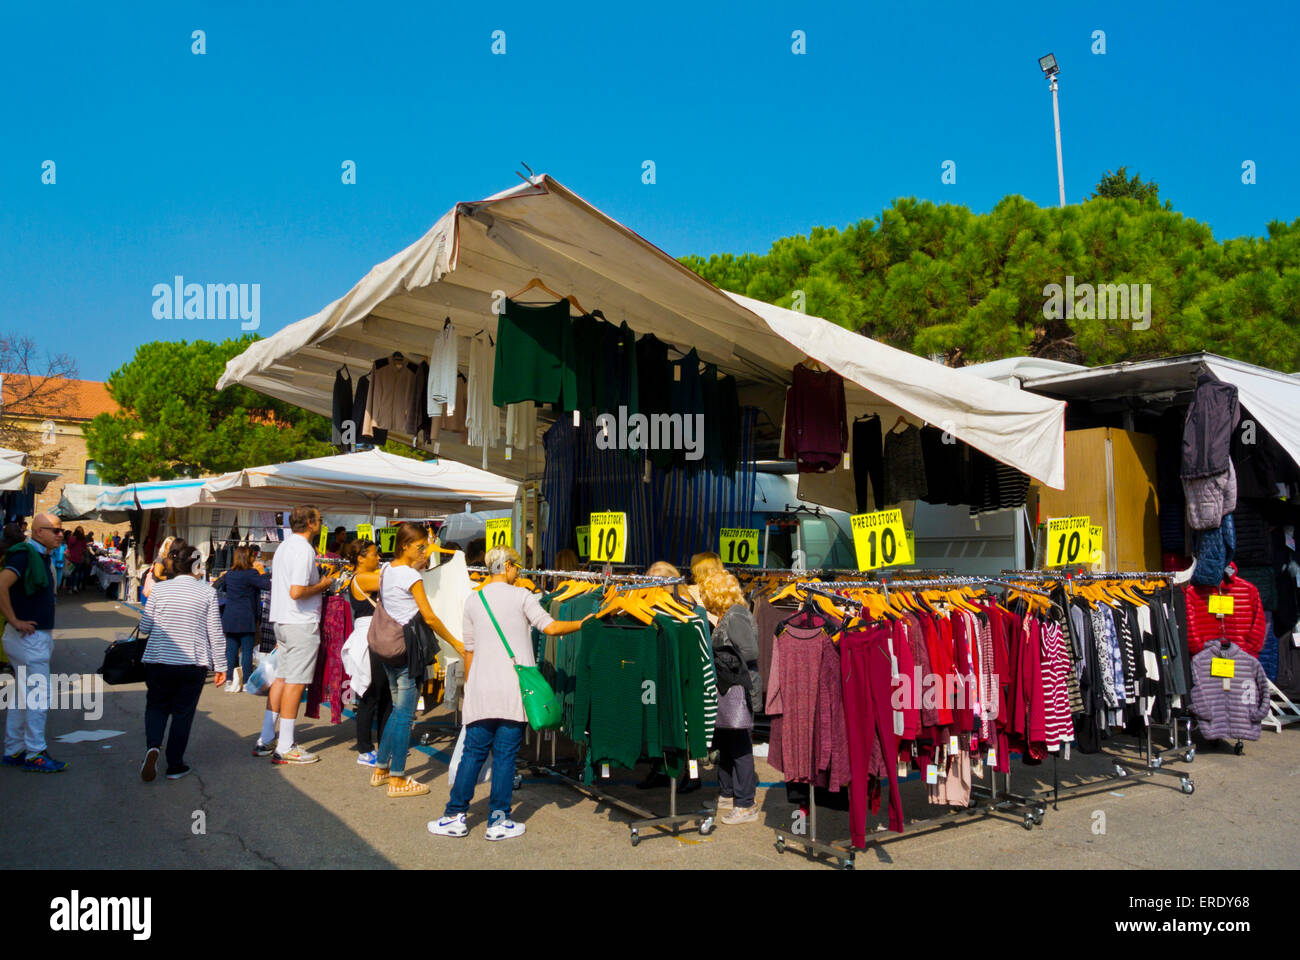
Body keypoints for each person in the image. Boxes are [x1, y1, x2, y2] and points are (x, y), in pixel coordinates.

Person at [429, 546, 592, 839]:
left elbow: (469, 650)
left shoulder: (473, 600)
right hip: (515, 691)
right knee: (505, 756)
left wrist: (470, 690)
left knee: (473, 754)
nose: (519, 571)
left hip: (482, 689)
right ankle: (498, 820)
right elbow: (551, 628)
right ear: (505, 566)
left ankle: (454, 815)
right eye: (516, 565)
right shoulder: (522, 597)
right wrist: (584, 623)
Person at [367, 523, 461, 797]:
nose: (424, 552)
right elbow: (429, 617)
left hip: (387, 647)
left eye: (426, 547)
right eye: (420, 547)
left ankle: (381, 770)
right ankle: (397, 779)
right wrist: (454, 641)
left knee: (398, 710)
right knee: (405, 715)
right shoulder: (410, 576)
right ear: (405, 545)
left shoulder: (387, 569)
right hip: (407, 650)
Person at [136, 542, 227, 781]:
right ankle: (175, 765)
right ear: (196, 566)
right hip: (193, 663)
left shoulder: (159, 590)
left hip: (158, 659)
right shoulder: (207, 592)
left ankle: (154, 746)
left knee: (156, 706)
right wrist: (221, 666)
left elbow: (144, 627)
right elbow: (214, 632)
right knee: (182, 713)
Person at [257, 506, 335, 764]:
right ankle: (286, 745)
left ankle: (267, 737)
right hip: (299, 620)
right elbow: (297, 591)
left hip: (282, 618)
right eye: (320, 520)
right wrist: (323, 585)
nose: (322, 524)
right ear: (311, 523)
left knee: (282, 678)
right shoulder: (303, 549)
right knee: (295, 682)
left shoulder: (284, 546)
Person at [0, 513, 67, 772]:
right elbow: (1, 585)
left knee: (21, 696)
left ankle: (14, 748)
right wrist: (15, 620)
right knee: (39, 695)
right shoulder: (26, 554)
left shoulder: (38, 555)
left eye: (61, 531)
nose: (60, 535)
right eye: (55, 531)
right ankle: (34, 752)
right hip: (28, 638)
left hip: (29, 638)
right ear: (38, 532)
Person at [702, 571, 762, 825]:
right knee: (725, 742)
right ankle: (727, 794)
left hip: (738, 688)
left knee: (738, 746)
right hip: (729, 687)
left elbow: (750, 651)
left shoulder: (736, 614)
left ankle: (746, 803)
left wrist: (722, 655)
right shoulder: (732, 613)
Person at [344, 538, 391, 766]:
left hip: (378, 636)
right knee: (371, 696)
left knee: (385, 695)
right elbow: (390, 578)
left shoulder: (369, 576)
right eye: (374, 554)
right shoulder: (362, 578)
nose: (378, 557)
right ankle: (365, 749)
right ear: (361, 558)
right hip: (369, 639)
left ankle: (384, 744)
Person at [219, 546, 272, 692]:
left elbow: (223, 588)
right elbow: (267, 585)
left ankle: (230, 679)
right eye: (252, 556)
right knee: (247, 650)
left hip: (230, 616)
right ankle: (246, 681)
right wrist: (262, 572)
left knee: (231, 650)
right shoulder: (251, 573)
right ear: (247, 558)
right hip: (246, 616)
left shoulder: (229, 574)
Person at [142, 535, 176, 600]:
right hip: (159, 588)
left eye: (174, 545)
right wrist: (171, 578)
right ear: (165, 545)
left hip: (166, 588)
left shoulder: (172, 558)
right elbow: (158, 575)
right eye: (170, 545)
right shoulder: (161, 558)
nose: (172, 547)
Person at [65, 527, 85, 593]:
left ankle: (70, 588)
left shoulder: (72, 538)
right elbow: (84, 549)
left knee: (70, 573)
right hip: (79, 558)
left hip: (71, 558)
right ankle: (75, 586)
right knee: (76, 573)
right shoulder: (83, 539)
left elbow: (69, 547)